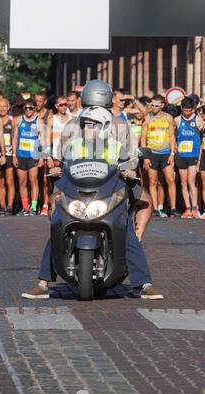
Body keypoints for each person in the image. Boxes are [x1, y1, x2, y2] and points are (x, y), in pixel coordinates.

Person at [21, 81, 163, 300]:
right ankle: (42, 283)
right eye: (87, 123)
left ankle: (144, 282)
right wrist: (56, 167)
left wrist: (130, 170)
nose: (89, 126)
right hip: (77, 185)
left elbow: (131, 157)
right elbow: (60, 156)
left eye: (94, 124)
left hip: (112, 185)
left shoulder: (116, 131)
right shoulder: (74, 131)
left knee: (126, 225)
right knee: (59, 223)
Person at [173, 96, 202, 217]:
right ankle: (188, 208)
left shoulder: (198, 119)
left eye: (190, 110)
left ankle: (195, 208)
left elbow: (204, 137)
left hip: (193, 154)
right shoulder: (177, 120)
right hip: (181, 155)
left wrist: (200, 157)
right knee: (183, 182)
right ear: (182, 108)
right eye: (186, 110)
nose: (188, 113)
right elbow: (172, 136)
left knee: (191, 181)